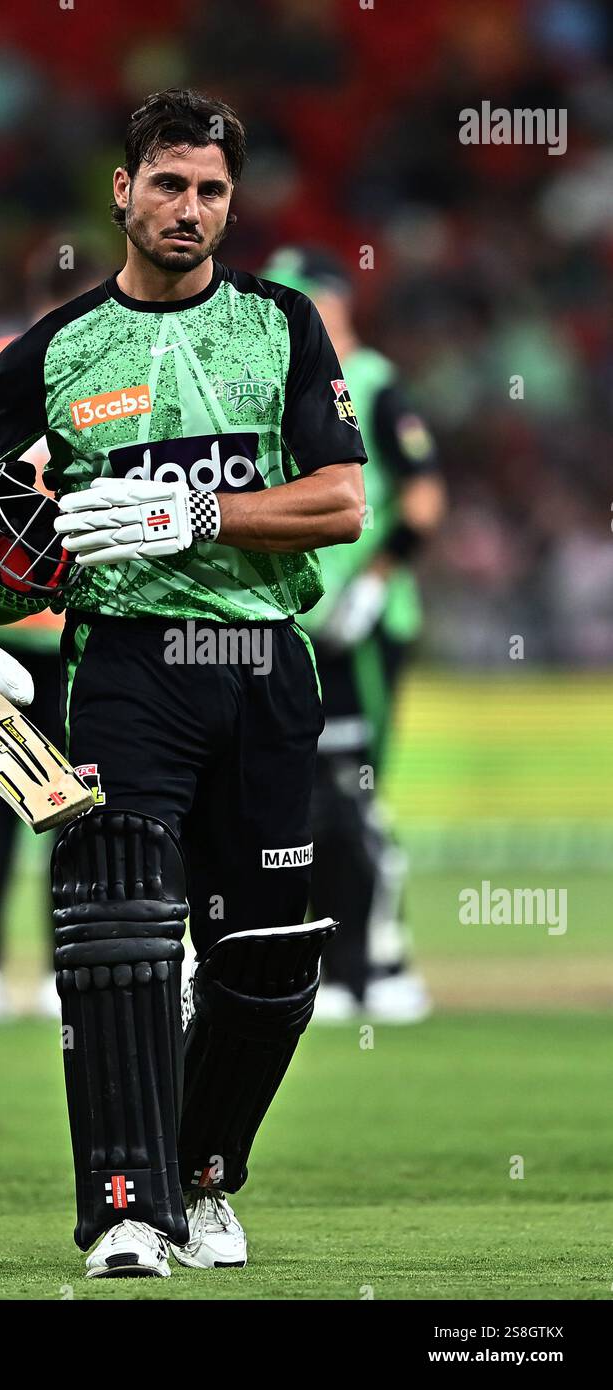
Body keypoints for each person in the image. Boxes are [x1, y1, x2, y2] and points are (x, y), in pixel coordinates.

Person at [0, 89, 367, 1278]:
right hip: (127, 664)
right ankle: (123, 1212)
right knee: (116, 934)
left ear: (229, 204)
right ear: (123, 190)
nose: (188, 208)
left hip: (260, 660)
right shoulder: (61, 345)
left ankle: (201, 1176)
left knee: (272, 957)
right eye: (168, 184)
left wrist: (197, 511)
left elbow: (341, 501)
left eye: (209, 191)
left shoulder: (283, 325)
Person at [261, 247, 446, 1023]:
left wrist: (373, 586)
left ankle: (380, 962)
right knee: (299, 799)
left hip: (364, 633)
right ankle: (328, 964)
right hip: (297, 629)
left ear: (334, 303)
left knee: (359, 794)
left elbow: (424, 497)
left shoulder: (371, 381)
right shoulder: (278, 385)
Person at [0, 244, 103, 1022]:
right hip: (70, 623)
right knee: (71, 804)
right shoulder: (110, 366)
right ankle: (55, 967)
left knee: (0, 802)